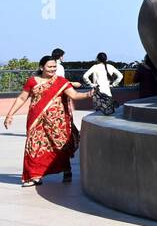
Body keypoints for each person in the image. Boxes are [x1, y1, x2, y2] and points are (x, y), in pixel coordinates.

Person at [3, 55, 94, 186]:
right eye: (49, 66)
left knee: (59, 146)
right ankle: (34, 176)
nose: (52, 69)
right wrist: (10, 115)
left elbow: (74, 95)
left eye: (54, 67)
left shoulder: (61, 81)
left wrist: (88, 94)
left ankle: (65, 168)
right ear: (42, 67)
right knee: (34, 146)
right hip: (36, 120)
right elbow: (22, 98)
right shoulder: (32, 81)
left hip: (57, 122)